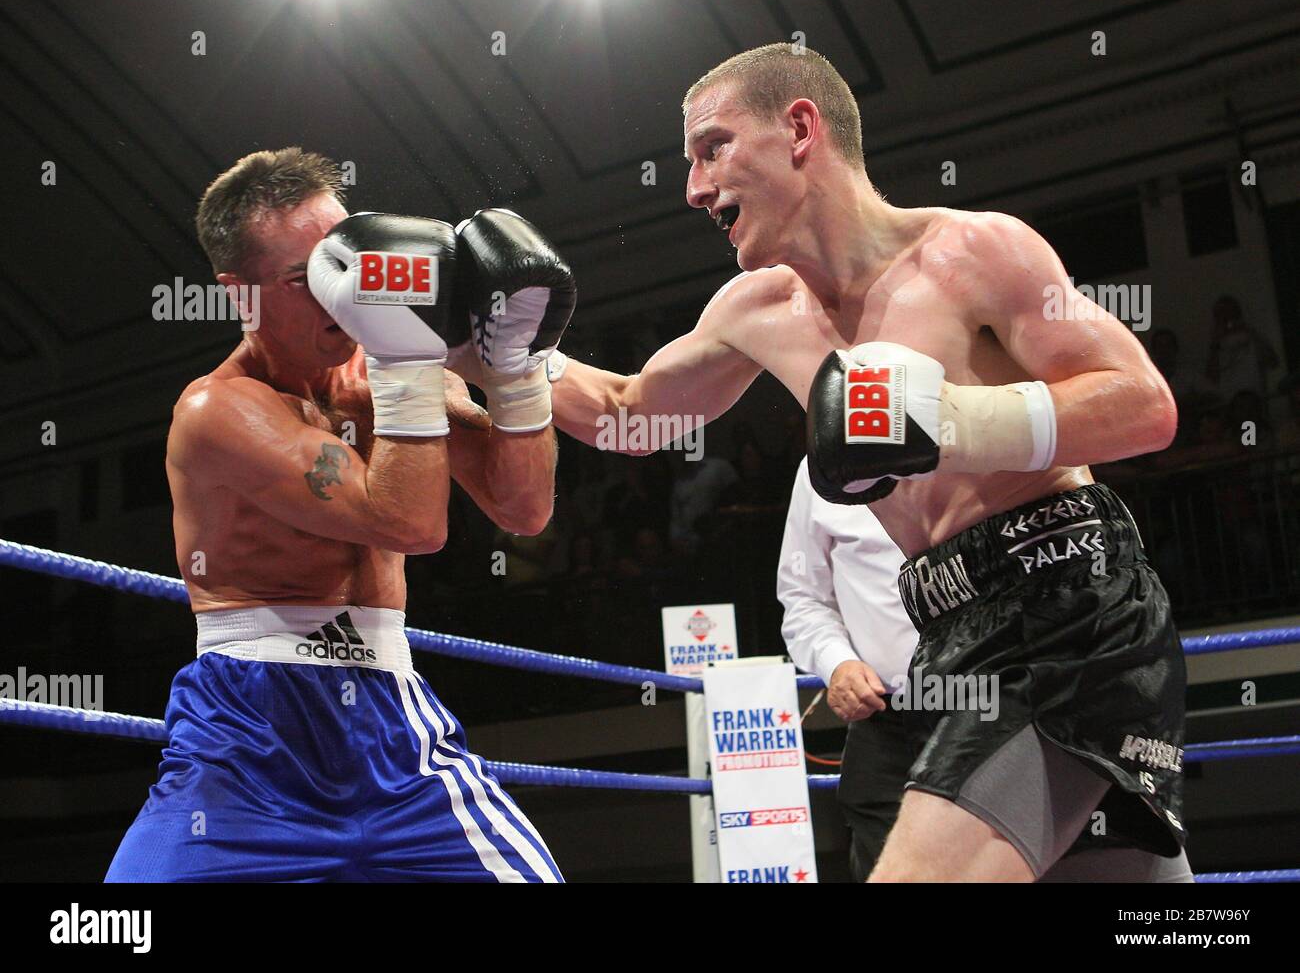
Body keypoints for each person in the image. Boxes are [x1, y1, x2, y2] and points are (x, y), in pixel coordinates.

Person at [524, 43, 1189, 881]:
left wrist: (952, 420)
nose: (693, 187)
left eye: (712, 148)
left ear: (799, 128)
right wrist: (502, 353)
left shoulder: (972, 253)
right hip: (950, 629)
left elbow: (1144, 405)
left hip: (1066, 602)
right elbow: (629, 417)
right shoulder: (756, 308)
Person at [106, 148, 571, 882]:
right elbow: (413, 525)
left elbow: (524, 509)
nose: (337, 297)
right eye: (304, 281)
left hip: (392, 726)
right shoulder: (217, 411)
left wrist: (514, 374)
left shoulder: (384, 366)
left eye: (337, 265)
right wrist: (405, 361)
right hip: (246, 742)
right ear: (240, 295)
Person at [777, 458, 923, 881]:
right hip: (885, 720)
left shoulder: (976, 430)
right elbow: (803, 598)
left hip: (991, 704)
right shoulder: (823, 464)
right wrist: (837, 663)